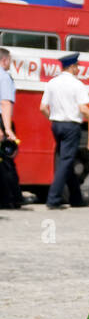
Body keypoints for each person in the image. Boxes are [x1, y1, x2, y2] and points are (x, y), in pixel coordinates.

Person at [40, 53, 89, 209]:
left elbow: (42, 108)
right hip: (71, 125)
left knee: (66, 160)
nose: (78, 69)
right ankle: (53, 198)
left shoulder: (52, 83)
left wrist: (53, 118)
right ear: (73, 67)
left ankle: (76, 198)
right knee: (66, 161)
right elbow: (84, 108)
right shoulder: (78, 85)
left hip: (56, 125)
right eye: (77, 67)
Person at [0, 47, 21, 209]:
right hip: (1, 121)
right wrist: (7, 129)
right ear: (5, 60)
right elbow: (5, 102)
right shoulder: (4, 76)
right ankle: (10, 198)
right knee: (6, 161)